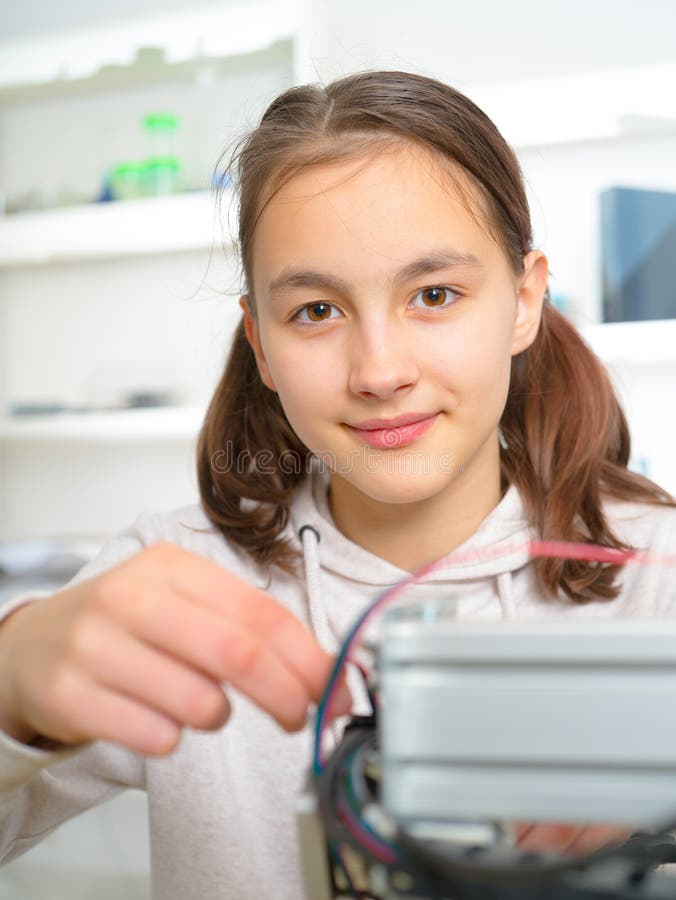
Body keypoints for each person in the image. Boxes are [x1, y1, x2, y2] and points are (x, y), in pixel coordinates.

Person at [0, 69, 674, 900]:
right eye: (316, 311)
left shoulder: (657, 576)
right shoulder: (171, 584)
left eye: (435, 294)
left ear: (525, 300)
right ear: (261, 342)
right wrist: (10, 696)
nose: (380, 371)